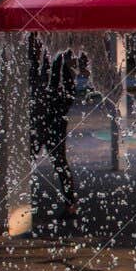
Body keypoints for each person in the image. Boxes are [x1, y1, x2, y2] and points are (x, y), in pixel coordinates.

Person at [29, 43, 78, 216]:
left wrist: (58, 111)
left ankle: (70, 203)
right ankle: (18, 202)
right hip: (37, 120)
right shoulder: (32, 65)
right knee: (29, 160)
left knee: (59, 161)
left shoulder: (56, 64)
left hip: (52, 121)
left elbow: (70, 91)